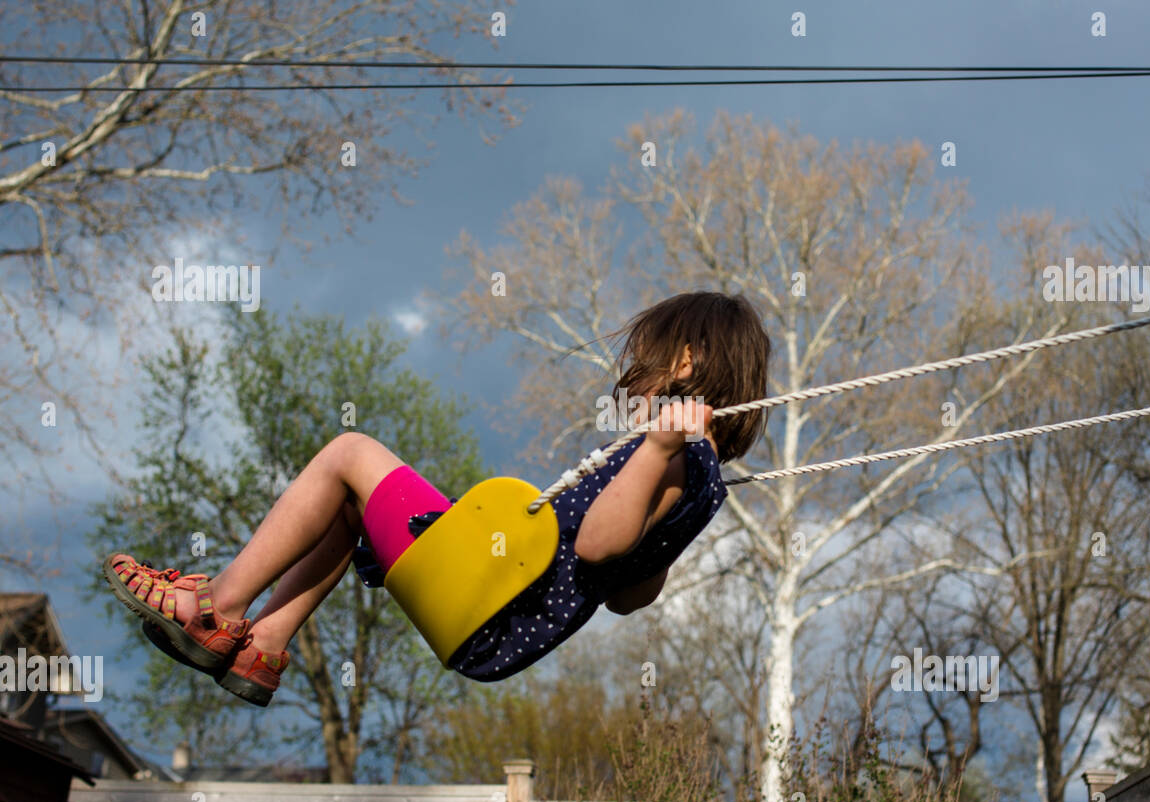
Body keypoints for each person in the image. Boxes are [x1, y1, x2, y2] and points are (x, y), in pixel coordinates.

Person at [103, 291, 771, 705]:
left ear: (685, 362)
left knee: (349, 453)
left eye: (645, 362)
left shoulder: (668, 454)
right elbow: (627, 594)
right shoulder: (705, 482)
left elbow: (597, 544)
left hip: (489, 599)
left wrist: (652, 450)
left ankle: (215, 606)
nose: (634, 379)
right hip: (497, 628)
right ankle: (263, 647)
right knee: (351, 503)